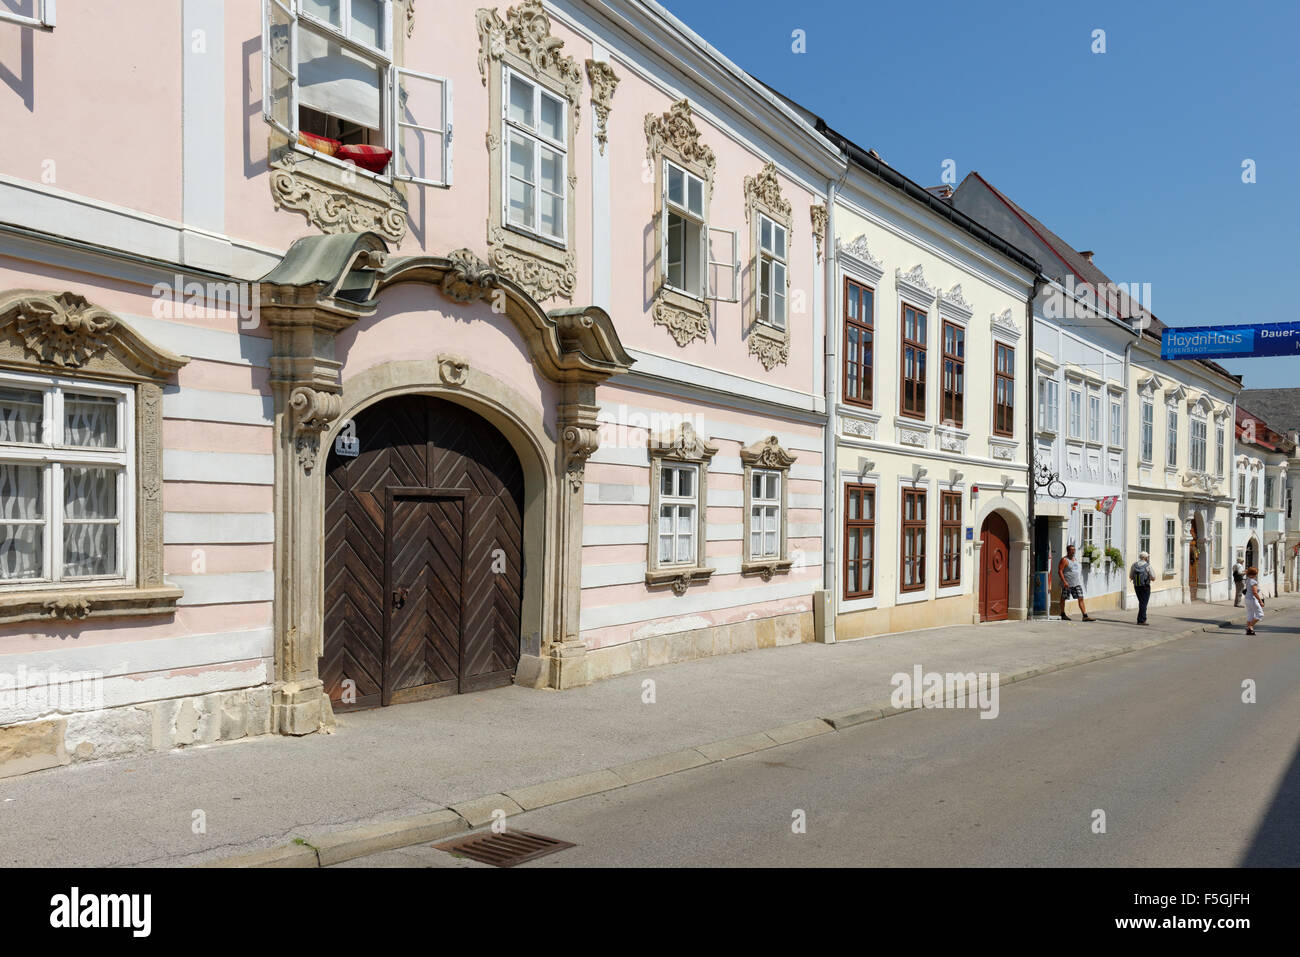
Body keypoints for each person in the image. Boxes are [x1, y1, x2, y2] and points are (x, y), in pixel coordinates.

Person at [1058, 544, 1096, 621]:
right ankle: (1062, 614)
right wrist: (1064, 581)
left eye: (1074, 550)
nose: (1073, 551)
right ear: (1068, 551)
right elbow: (1060, 571)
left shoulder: (1075, 559)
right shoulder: (1064, 560)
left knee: (1080, 597)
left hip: (1076, 583)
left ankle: (1085, 616)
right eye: (1071, 550)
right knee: (1064, 598)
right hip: (1067, 583)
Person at [1129, 551, 1153, 625]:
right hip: (1145, 586)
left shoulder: (1134, 565)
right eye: (1147, 557)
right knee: (1144, 603)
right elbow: (1153, 577)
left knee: (1141, 603)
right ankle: (1141, 620)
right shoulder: (1147, 566)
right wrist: (1149, 578)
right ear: (1145, 558)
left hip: (1136, 586)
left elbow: (1131, 576)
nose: (1148, 558)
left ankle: (1141, 619)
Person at [1244, 565, 1265, 636]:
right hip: (1252, 599)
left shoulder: (1247, 580)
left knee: (1250, 614)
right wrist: (1260, 601)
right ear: (1254, 574)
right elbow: (1255, 592)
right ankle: (1250, 626)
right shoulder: (1253, 581)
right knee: (1260, 614)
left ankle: (1249, 630)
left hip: (1247, 599)